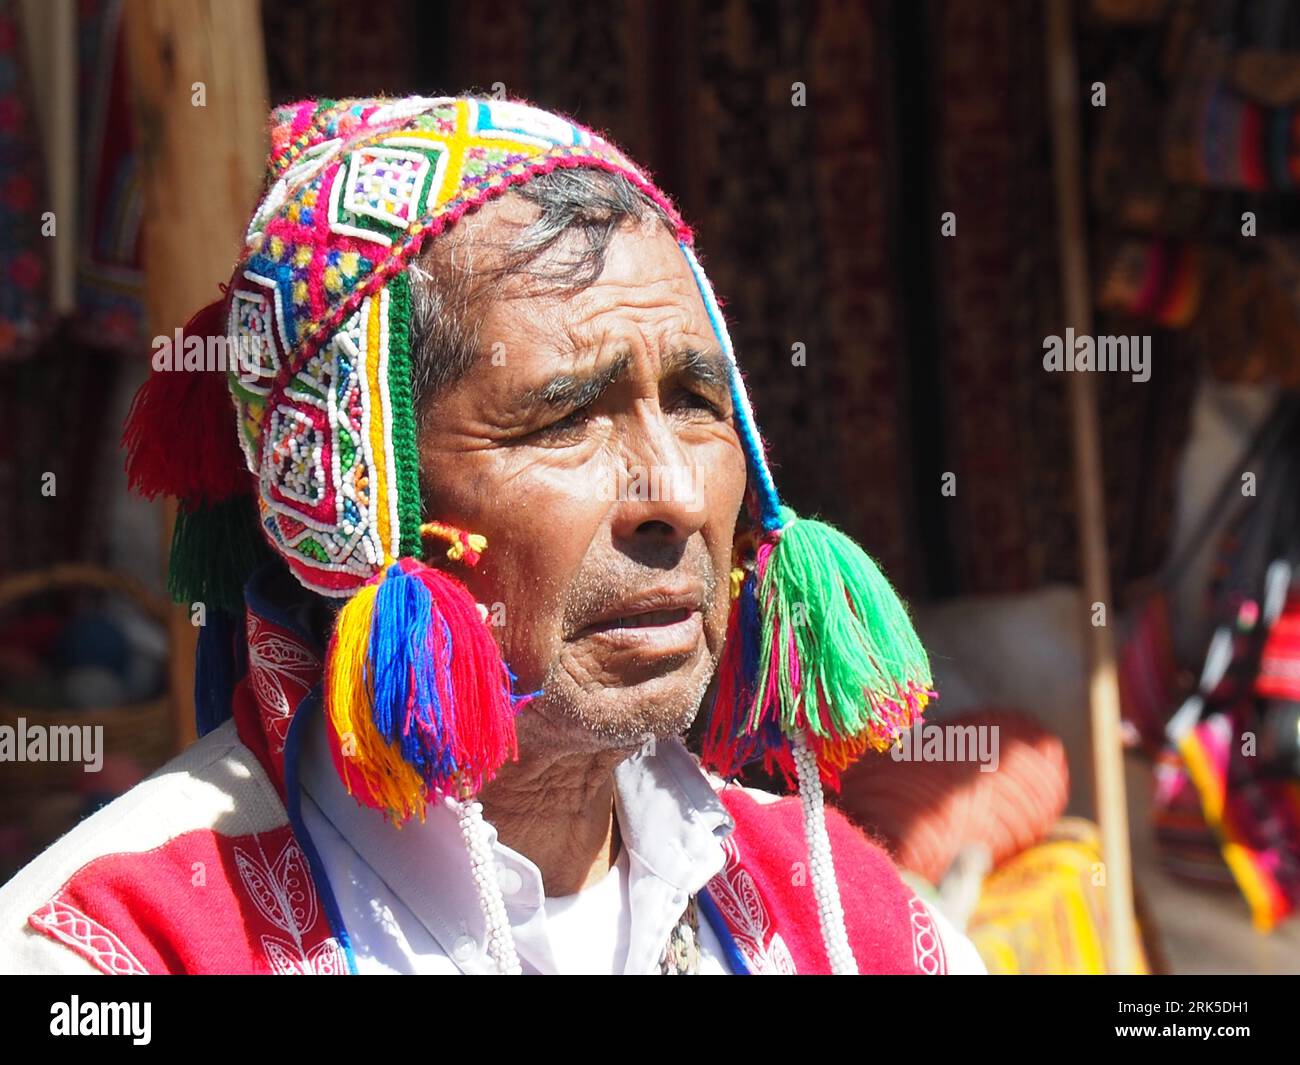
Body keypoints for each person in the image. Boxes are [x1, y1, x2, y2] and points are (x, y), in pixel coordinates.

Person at [0, 95, 984, 975]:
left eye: (694, 402)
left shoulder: (841, 919)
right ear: (353, 505)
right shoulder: (117, 949)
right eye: (563, 419)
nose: (676, 495)